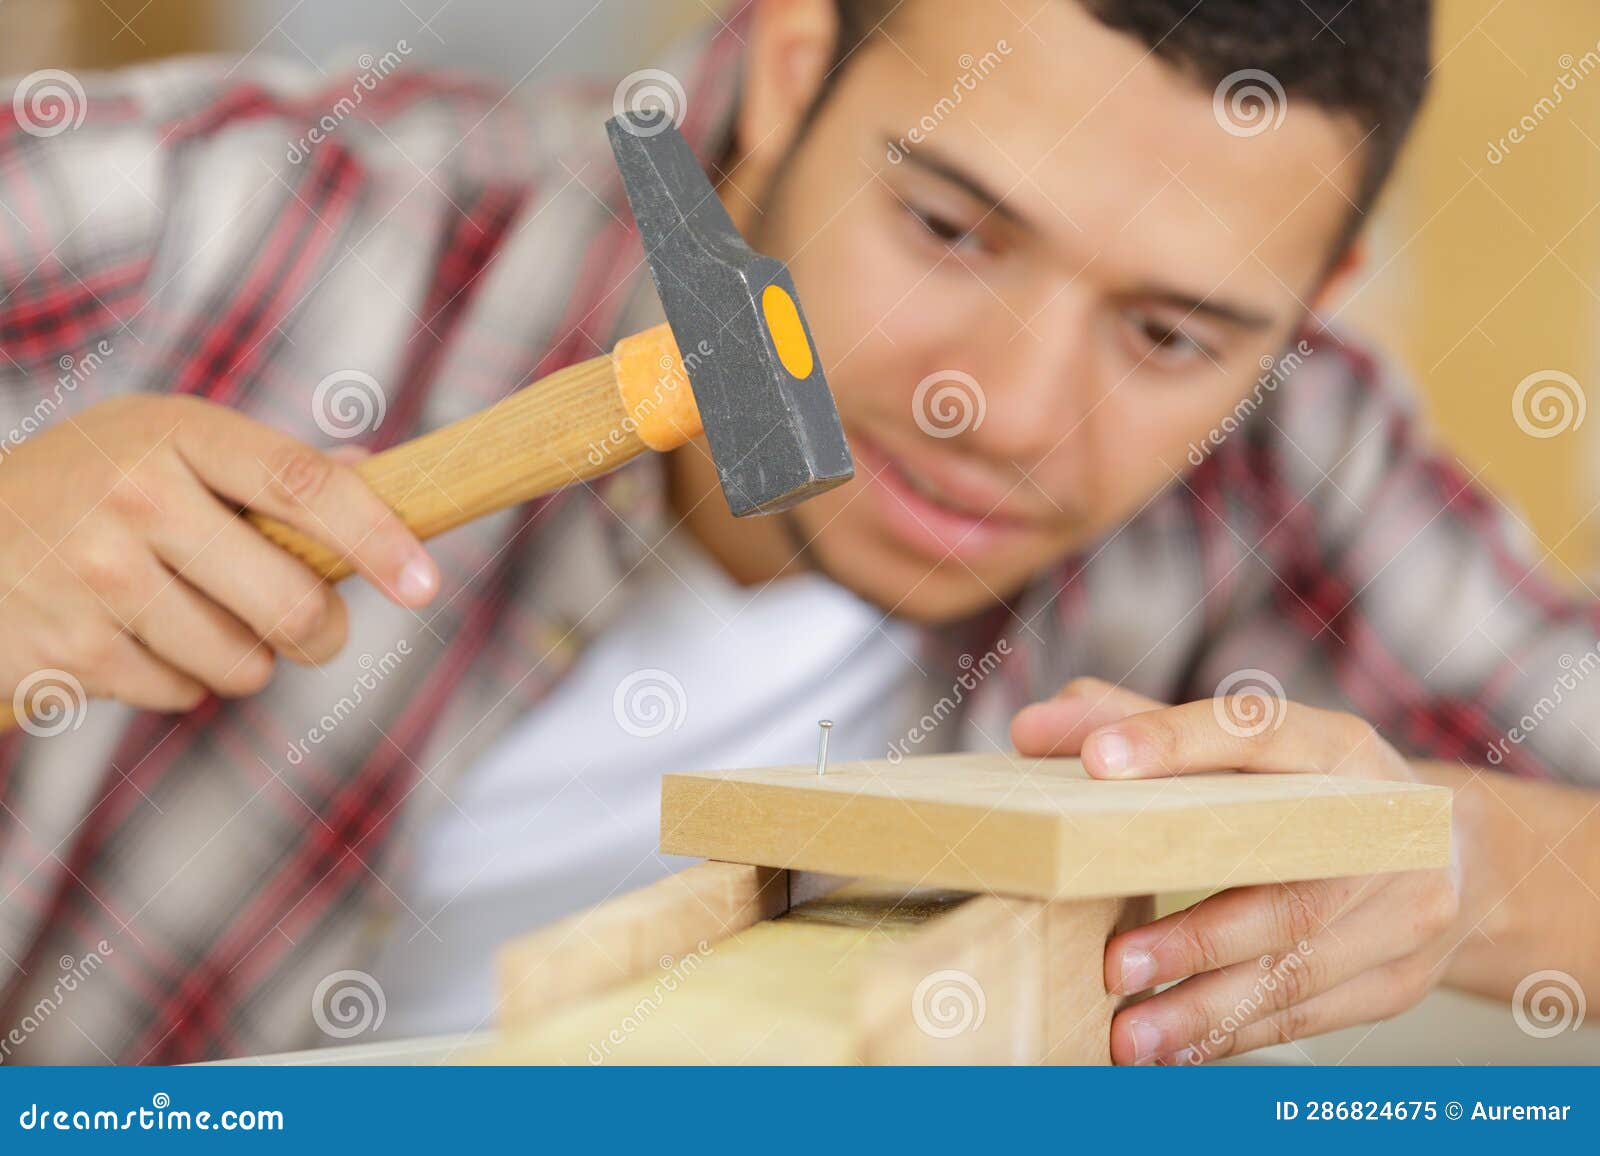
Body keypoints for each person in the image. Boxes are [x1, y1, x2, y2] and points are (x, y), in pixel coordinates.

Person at [0, 0, 1594, 1065]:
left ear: (1302, 315)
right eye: (951, 228)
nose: (1013, 410)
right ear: (786, 63)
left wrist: (1459, 868)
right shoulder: (221, 212)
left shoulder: (1288, 455)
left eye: (1171, 335)